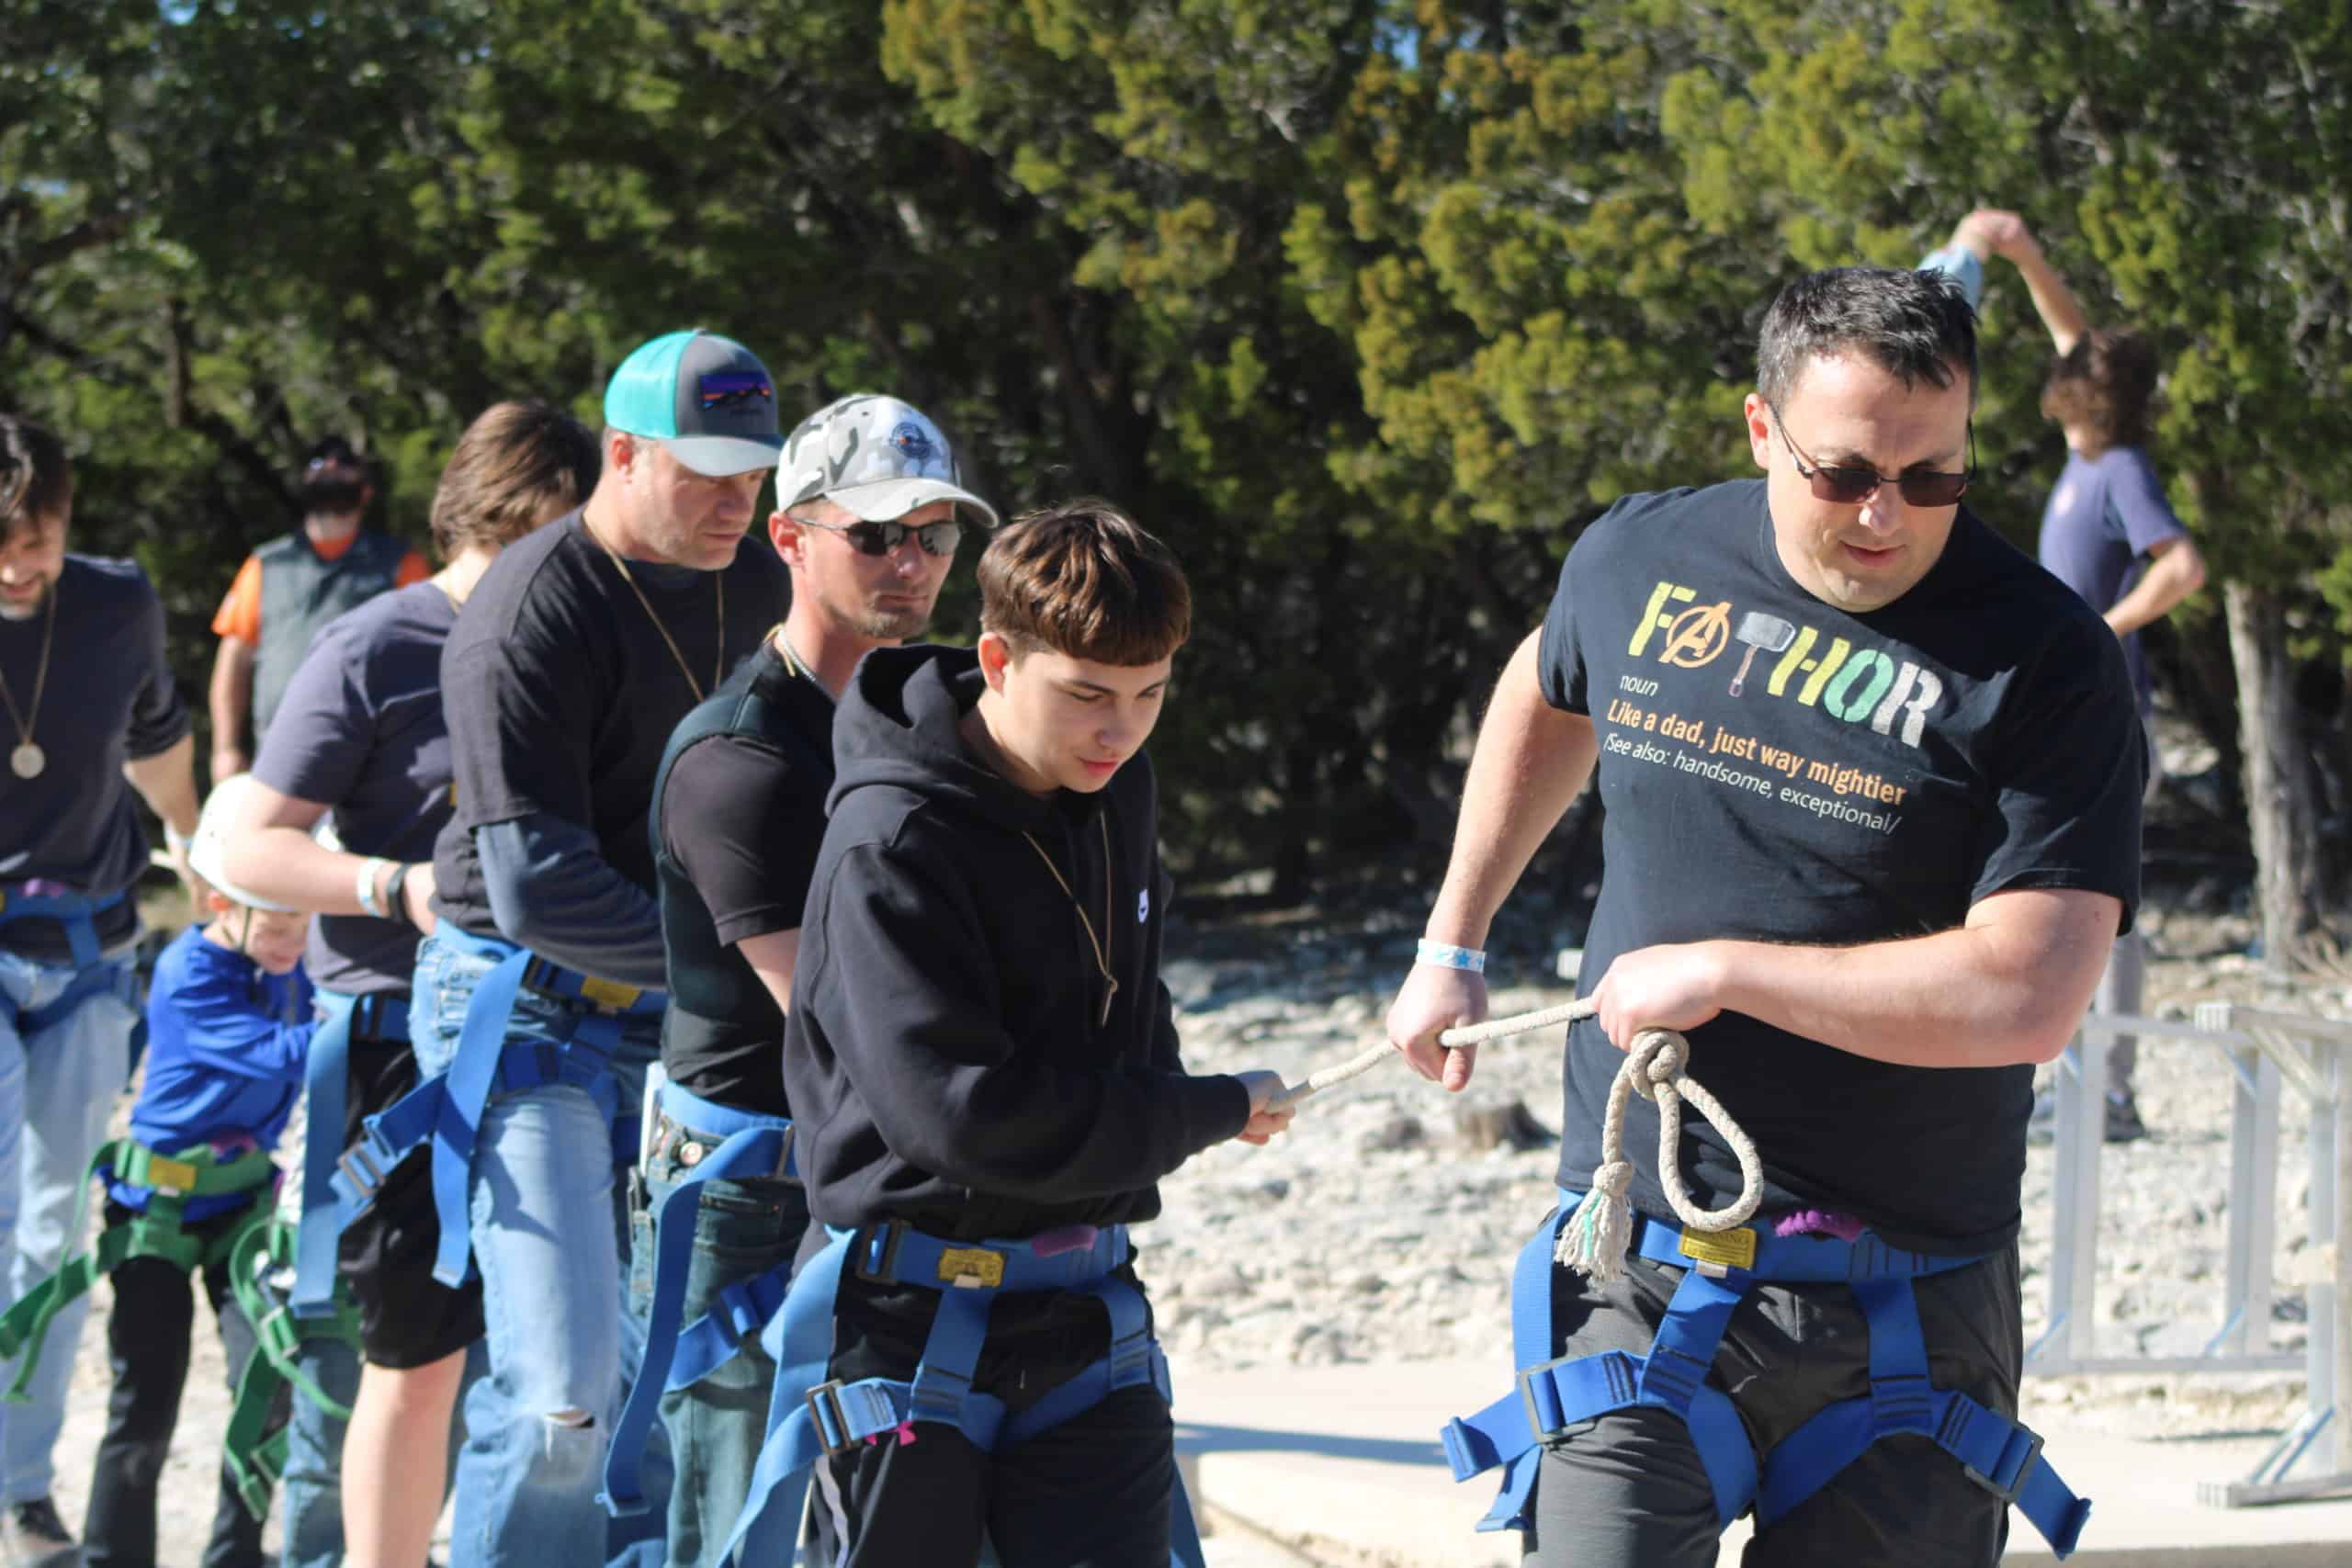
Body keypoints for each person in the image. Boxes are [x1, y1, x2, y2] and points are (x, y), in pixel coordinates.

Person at [1386, 267, 2143, 1566]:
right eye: (1844, 472)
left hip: (1908, 1288)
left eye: (1934, 477)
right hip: (1643, 1259)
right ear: (1760, 430)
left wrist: (1725, 972)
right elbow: (1551, 679)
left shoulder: (2048, 658)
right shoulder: (1640, 554)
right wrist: (1454, 938)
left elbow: (2030, 993)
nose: (1886, 515)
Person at [719, 501, 1294, 1568]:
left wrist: (1183, 1093)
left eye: (1148, 695)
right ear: (995, 658)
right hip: (902, 1319)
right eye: (1084, 694)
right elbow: (962, 1115)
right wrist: (1200, 1110)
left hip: (1085, 1317)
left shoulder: (1117, 785)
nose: (1117, 730)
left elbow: (1129, 993)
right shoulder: (889, 843)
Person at [404, 330, 786, 1566]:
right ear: (620, 453)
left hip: (680, 1007)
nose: (739, 501)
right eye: (708, 470)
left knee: (680, 1382)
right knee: (565, 1392)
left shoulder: (760, 576)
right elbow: (535, 888)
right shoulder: (528, 609)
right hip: (527, 1011)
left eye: (757, 474)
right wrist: (760, 962)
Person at [610, 393, 997, 1566]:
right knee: (740, 1532)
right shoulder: (740, 757)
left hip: (885, 1162)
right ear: (789, 538)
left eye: (936, 535)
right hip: (750, 1189)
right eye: (874, 534)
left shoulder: (932, 714)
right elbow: (835, 1023)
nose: (912, 562)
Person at [217, 399, 602, 1568]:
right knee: (410, 1363)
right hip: (392, 1056)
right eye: (540, 538)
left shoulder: (589, 645)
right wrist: (395, 889)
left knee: (554, 1382)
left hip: (562, 1047)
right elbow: (250, 843)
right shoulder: (374, 644)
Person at [1926, 209, 2208, 1144]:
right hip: (2071, 707)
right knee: (2055, 890)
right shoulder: (2087, 450)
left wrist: (2093, 629)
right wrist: (2021, 254)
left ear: (2096, 398)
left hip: (2109, 711)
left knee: (2105, 900)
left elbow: (2182, 566)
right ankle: (2079, 1079)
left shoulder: (2121, 465)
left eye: (2073, 377)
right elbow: (2077, 340)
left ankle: (2113, 1093)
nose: (2058, 378)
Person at [0, 414, 202, 1568]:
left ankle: (25, 1488)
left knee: (52, 1233)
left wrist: (199, 847)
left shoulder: (116, 603)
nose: (21, 561)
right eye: (2, 542)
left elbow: (157, 740)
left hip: (87, 951)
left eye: (41, 535)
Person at [61, 773, 312, 1568]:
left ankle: (237, 1557)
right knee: (146, 1405)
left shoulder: (284, 966)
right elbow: (284, 1053)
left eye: (304, 924)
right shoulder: (187, 974)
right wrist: (369, 1015)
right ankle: (112, 1557)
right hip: (157, 1216)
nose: (292, 945)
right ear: (217, 905)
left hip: (241, 1207)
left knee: (264, 1386)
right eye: (276, 927)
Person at [209, 435, 430, 783]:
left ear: (365, 490)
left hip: (375, 762)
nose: (331, 468)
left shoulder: (403, 563)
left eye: (344, 465)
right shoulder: (267, 564)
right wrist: (225, 748)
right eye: (319, 462)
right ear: (303, 484)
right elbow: (234, 659)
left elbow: (426, 659)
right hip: (279, 759)